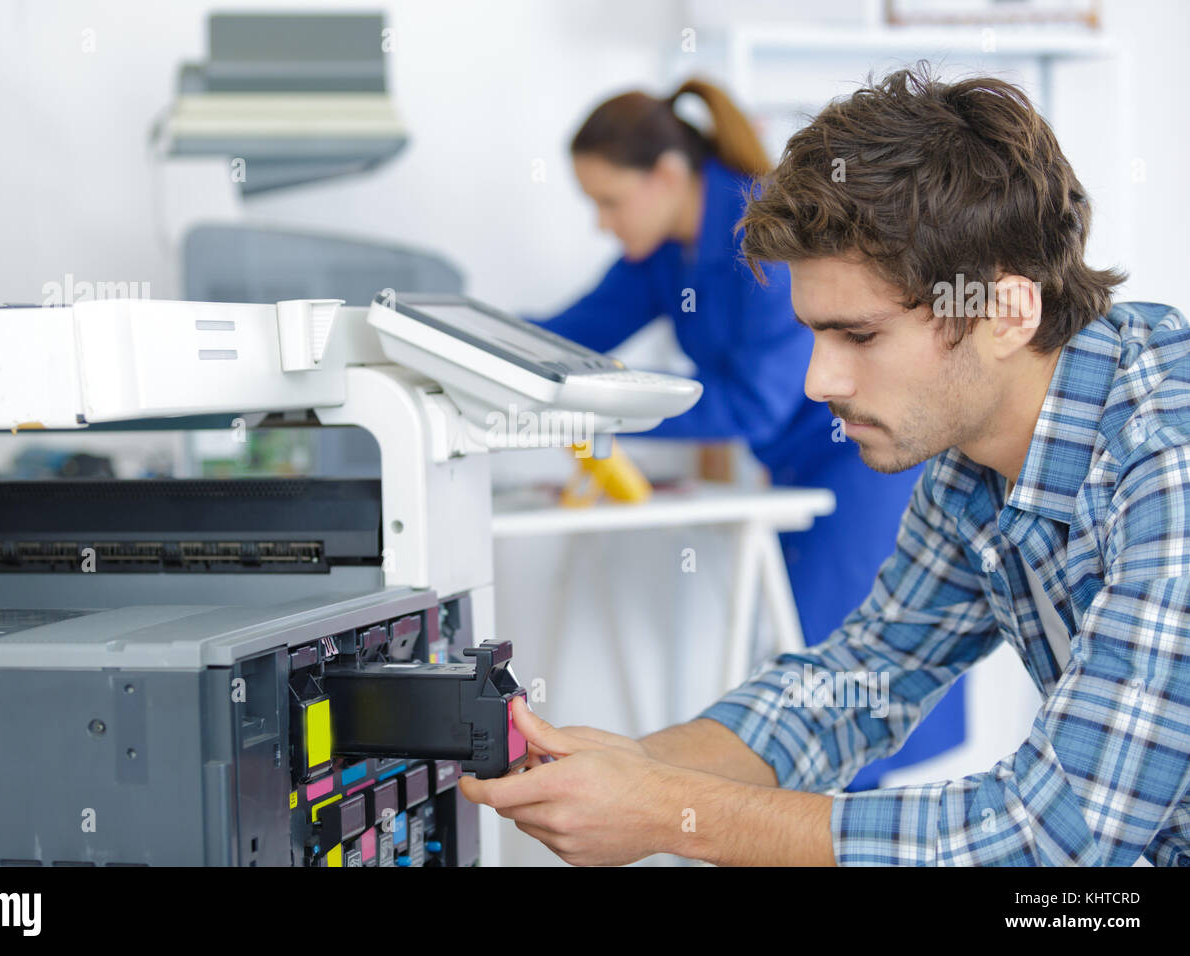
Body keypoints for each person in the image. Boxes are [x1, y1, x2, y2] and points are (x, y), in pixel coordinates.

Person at [462, 63, 1190, 867]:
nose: (818, 382)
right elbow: (862, 676)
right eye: (814, 333)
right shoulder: (971, 465)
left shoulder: (1169, 462)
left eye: (860, 336)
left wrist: (673, 812)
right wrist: (640, 765)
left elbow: (1050, 837)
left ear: (1007, 313)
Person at [529, 77, 964, 790]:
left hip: (858, 470)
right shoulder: (664, 256)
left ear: (668, 175)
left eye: (608, 201)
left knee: (847, 678)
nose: (602, 223)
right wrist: (467, 339)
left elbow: (757, 406)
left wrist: (611, 411)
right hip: (791, 471)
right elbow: (569, 335)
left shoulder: (759, 234)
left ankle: (838, 834)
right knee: (809, 674)